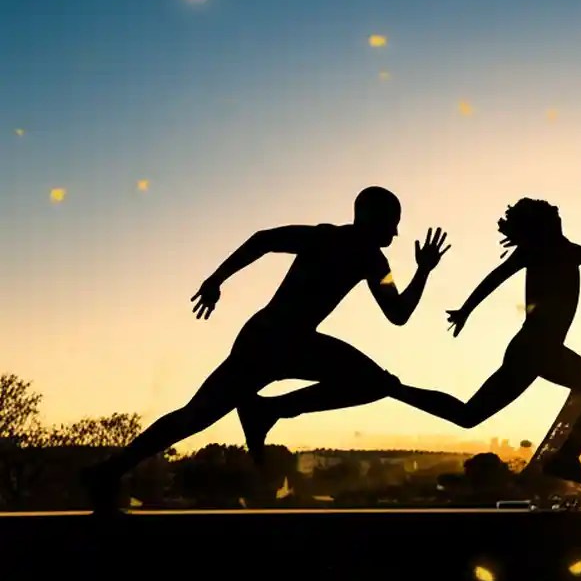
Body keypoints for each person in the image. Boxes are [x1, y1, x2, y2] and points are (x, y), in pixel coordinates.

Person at [81, 187, 450, 513]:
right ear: (372, 217)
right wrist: (215, 281)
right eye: (393, 222)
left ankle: (262, 410)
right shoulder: (333, 241)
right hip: (274, 341)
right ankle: (264, 409)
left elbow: (396, 313)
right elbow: (264, 239)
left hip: (284, 340)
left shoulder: (369, 259)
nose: (397, 232)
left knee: (374, 383)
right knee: (374, 383)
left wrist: (423, 270)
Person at [391, 197, 581, 491]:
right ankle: (565, 458)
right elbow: (495, 278)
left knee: (468, 415)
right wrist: (466, 309)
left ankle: (392, 388)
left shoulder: (560, 251)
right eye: (555, 218)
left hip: (535, 349)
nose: (560, 218)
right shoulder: (540, 251)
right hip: (538, 348)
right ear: (546, 226)